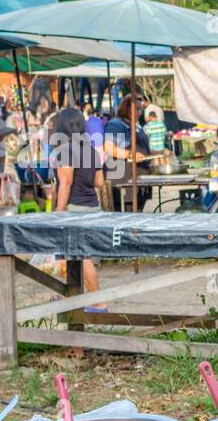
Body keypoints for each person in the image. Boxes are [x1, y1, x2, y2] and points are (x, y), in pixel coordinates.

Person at [49, 107, 106, 306]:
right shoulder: (91, 149)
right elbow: (99, 182)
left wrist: (58, 213)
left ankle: (99, 303)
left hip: (74, 209)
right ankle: (71, 297)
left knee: (81, 258)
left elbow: (65, 184)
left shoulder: (64, 150)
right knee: (72, 256)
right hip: (92, 206)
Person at [103, 94, 151, 209]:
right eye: (137, 109)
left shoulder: (137, 126)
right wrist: (129, 154)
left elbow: (143, 150)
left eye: (141, 109)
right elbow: (109, 148)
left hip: (141, 181)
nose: (140, 112)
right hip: (124, 182)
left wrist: (160, 153)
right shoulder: (116, 124)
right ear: (127, 108)